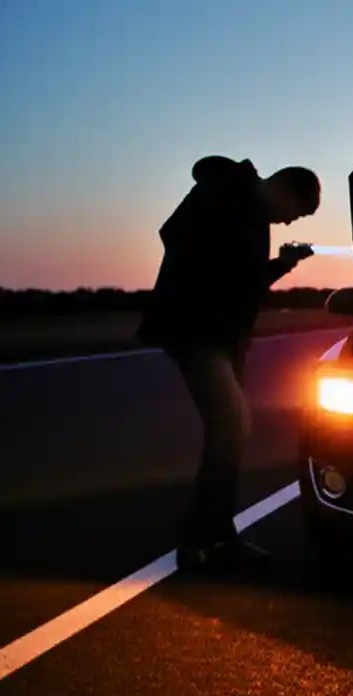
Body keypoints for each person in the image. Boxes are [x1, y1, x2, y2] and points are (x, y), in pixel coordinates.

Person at [137, 155, 318, 571]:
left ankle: (218, 537)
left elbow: (244, 280)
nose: (289, 222)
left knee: (233, 429)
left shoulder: (252, 213)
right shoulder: (227, 192)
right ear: (285, 189)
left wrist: (282, 265)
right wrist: (209, 279)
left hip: (224, 334)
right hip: (196, 330)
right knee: (231, 424)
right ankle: (202, 541)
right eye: (295, 212)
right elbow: (174, 233)